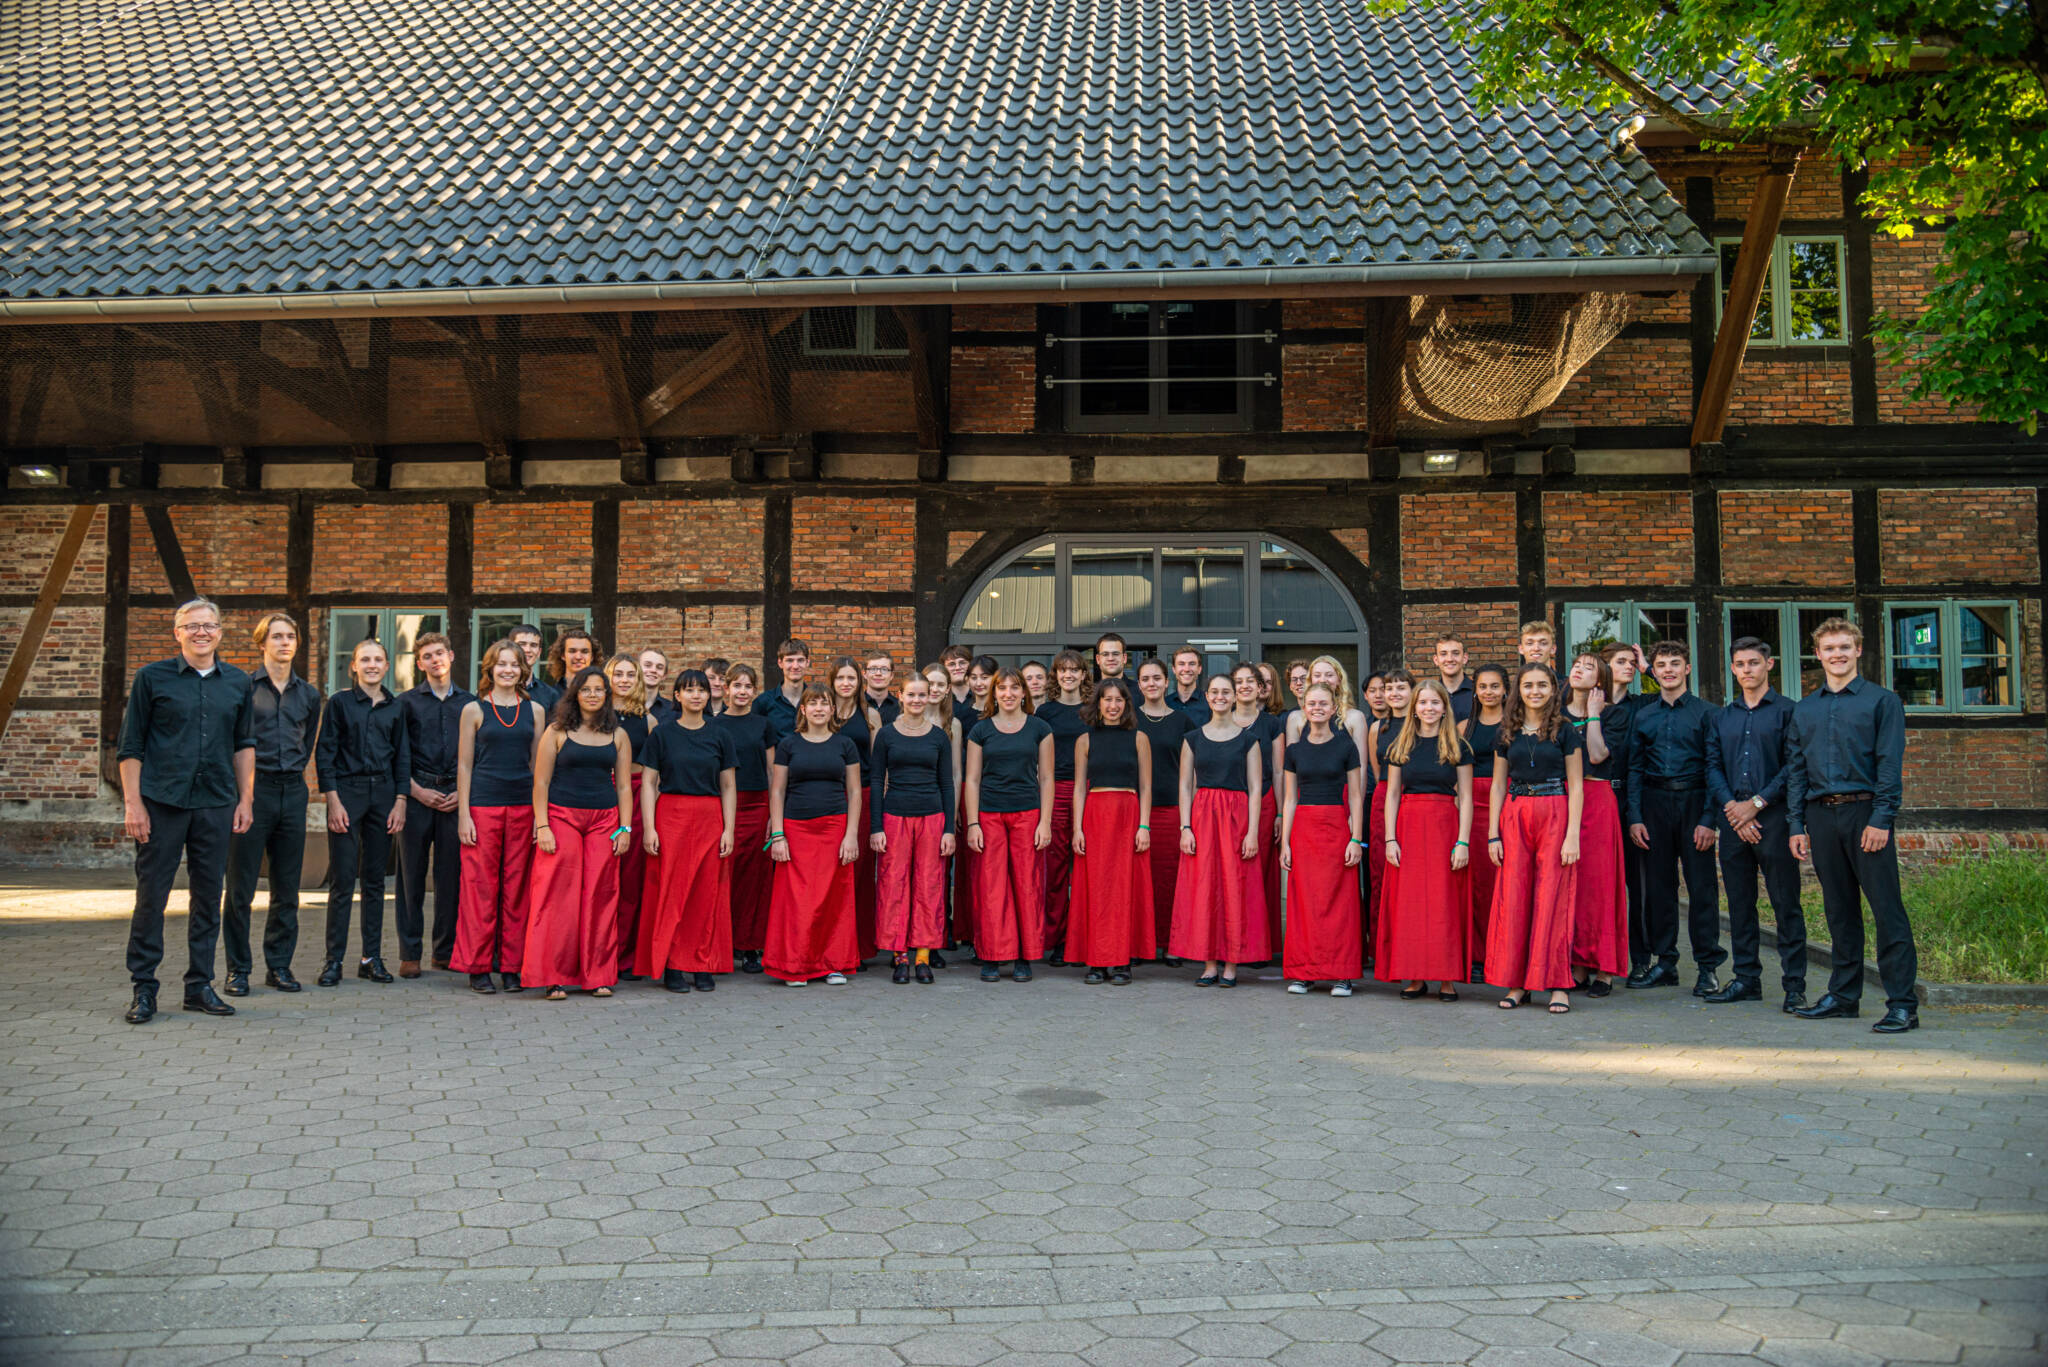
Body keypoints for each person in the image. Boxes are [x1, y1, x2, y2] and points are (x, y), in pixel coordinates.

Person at [117, 597, 255, 1024]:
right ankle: (143, 988)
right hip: (162, 803)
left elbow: (244, 744)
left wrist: (246, 799)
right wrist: (133, 804)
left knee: (207, 897)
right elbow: (130, 746)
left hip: (215, 803)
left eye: (209, 625)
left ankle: (199, 986)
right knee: (151, 897)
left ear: (219, 632)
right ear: (177, 633)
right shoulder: (150, 678)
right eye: (192, 626)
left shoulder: (237, 682)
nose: (201, 632)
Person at [1785, 618, 1917, 1033]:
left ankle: (1902, 1004)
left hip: (1866, 815)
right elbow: (1796, 771)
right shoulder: (1805, 708)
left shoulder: (1882, 702)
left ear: (1858, 651)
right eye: (1829, 648)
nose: (1837, 654)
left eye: (1845, 646)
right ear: (1818, 654)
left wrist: (1882, 818)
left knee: (1886, 911)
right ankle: (1844, 996)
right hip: (1821, 816)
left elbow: (1889, 765)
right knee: (1839, 911)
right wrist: (1795, 824)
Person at [1706, 637, 1807, 1011]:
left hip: (1775, 821)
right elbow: (1712, 767)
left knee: (1786, 904)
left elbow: (1793, 767)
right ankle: (1746, 978)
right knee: (1739, 905)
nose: (1747, 670)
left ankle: (1794, 984)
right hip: (1734, 822)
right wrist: (1735, 809)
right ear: (1733, 670)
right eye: (1740, 664)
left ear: (1769, 665)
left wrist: (1757, 804)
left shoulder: (1788, 712)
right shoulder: (1723, 716)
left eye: (1753, 662)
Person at [524, 666, 634, 1001]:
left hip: (605, 820)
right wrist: (542, 825)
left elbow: (626, 786)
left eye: (599, 690)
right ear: (575, 694)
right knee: (559, 898)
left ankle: (598, 975)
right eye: (586, 690)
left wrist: (625, 827)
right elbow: (540, 782)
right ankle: (553, 976)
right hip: (561, 817)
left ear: (607, 695)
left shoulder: (618, 734)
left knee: (600, 897)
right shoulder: (556, 731)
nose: (592, 695)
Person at [223, 610, 319, 996]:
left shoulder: (309, 694)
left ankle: (279, 966)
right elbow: (230, 743)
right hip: (252, 791)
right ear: (262, 643)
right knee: (241, 887)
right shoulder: (242, 688)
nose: (284, 643)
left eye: (290, 636)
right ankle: (238, 970)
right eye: (276, 636)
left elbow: (307, 742)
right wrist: (239, 796)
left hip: (292, 791)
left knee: (287, 887)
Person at [1624, 640, 1727, 995]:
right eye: (1661, 664)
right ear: (1653, 671)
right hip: (1654, 803)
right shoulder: (1644, 715)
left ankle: (1707, 967)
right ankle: (1666, 961)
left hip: (1695, 801)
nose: (1668, 669)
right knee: (1658, 889)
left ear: (1687, 669)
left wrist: (1709, 819)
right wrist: (1635, 816)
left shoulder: (1708, 713)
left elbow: (1716, 768)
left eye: (1674, 663)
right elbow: (1634, 769)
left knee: (1702, 890)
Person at [1485, 663, 1585, 1013]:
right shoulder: (1506, 731)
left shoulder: (1567, 731)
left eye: (1543, 685)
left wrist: (1572, 835)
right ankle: (1517, 983)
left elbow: (1576, 786)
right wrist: (1492, 833)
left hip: (1555, 811)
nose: (1535, 691)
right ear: (1519, 690)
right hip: (1515, 814)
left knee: (1553, 898)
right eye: (1528, 685)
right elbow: (1498, 784)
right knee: (1514, 898)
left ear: (1553, 690)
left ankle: (1558, 983)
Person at [314, 639, 410, 987]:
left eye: (378, 660)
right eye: (364, 659)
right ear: (353, 666)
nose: (372, 665)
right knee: (342, 880)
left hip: (383, 795)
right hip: (348, 793)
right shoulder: (339, 704)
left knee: (374, 882)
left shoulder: (396, 708)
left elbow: (402, 757)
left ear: (386, 666)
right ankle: (333, 960)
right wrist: (333, 801)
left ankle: (371, 958)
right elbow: (325, 754)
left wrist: (400, 800)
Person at [454, 639, 546, 994]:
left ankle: (512, 965)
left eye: (515, 664)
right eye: (501, 664)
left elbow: (539, 770)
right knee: (480, 889)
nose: (508, 670)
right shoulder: (473, 710)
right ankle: (478, 967)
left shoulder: (535, 711)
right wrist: (464, 815)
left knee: (517, 889)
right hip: (483, 805)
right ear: (490, 669)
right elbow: (464, 765)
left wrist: (541, 819)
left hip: (523, 806)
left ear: (524, 669)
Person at [637, 669, 738, 993]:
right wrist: (650, 828)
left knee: (707, 894)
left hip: (710, 817)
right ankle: (672, 965)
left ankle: (702, 962)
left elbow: (728, 786)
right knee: (671, 893)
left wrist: (728, 829)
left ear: (709, 696)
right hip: (671, 818)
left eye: (702, 690)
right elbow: (649, 783)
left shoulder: (720, 734)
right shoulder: (662, 734)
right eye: (688, 690)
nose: (696, 695)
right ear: (677, 696)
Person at [1377, 680, 1474, 1001]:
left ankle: (1447, 978)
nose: (1429, 708)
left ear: (1445, 708)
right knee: (1411, 904)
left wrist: (1463, 842)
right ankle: (1415, 975)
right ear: (1414, 708)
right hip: (1408, 828)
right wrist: (1390, 839)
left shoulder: (1458, 747)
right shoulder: (1400, 747)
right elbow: (1392, 795)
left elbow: (1468, 798)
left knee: (1445, 902)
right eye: (1423, 703)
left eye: (1435, 703)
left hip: (1445, 827)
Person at [1171, 675, 1266, 986]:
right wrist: (1186, 827)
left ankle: (1232, 963)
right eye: (1215, 692)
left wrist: (1252, 832)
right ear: (1208, 697)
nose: (1221, 696)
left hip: (1236, 818)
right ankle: (1209, 962)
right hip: (1202, 816)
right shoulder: (1193, 738)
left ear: (1235, 696)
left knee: (1234, 887)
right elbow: (1185, 785)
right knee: (1205, 887)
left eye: (1227, 691)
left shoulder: (1249, 740)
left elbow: (1255, 788)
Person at [766, 683, 863, 985]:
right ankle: (796, 966)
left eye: (825, 703)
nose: (819, 708)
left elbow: (855, 792)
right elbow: (778, 790)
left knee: (834, 898)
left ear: (832, 710)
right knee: (797, 901)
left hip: (834, 828)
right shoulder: (788, 745)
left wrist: (851, 835)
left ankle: (833, 963)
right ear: (803, 710)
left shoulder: (845, 744)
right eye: (813, 703)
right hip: (796, 829)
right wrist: (778, 834)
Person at [965, 668, 1054, 982]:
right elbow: (972, 779)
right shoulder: (980, 730)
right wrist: (973, 822)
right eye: (1002, 688)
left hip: (1027, 814)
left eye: (1015, 688)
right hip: (989, 815)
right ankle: (992, 955)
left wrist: (1045, 822)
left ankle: (1023, 956)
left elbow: (1046, 777)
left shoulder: (1040, 728)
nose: (1008, 694)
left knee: (1026, 886)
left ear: (1023, 693)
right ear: (994, 693)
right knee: (992, 888)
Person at [871, 673, 956, 983]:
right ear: (901, 696)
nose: (918, 700)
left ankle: (922, 956)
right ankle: (899, 956)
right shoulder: (886, 735)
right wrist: (876, 826)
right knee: (894, 885)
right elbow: (878, 781)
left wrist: (949, 828)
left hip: (932, 817)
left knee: (929, 886)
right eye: (912, 695)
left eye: (923, 695)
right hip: (895, 817)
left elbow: (947, 783)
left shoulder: (938, 737)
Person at [1280, 683, 1364, 996]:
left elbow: (1355, 796)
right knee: (1304, 901)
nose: (1317, 708)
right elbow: (1289, 798)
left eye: (1323, 703)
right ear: (1304, 707)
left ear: (1333, 709)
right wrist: (1285, 843)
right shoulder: (1294, 750)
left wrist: (1356, 838)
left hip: (1336, 825)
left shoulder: (1346, 745)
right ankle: (1304, 972)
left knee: (1340, 902)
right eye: (1311, 703)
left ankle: (1342, 974)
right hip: (1303, 828)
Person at [1067, 679, 1154, 983]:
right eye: (1107, 700)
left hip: (1128, 814)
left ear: (1127, 705)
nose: (1113, 705)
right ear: (1098, 704)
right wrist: (1077, 828)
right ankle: (1097, 961)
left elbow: (1145, 786)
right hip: (1095, 814)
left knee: (1124, 888)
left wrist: (1144, 825)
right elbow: (1079, 788)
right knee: (1096, 888)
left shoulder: (1139, 738)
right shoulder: (1085, 741)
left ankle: (1122, 961)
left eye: (1119, 700)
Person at [395, 631, 470, 976]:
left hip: (456, 796)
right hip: (418, 795)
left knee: (450, 877)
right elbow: (397, 755)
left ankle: (444, 950)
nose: (435, 660)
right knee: (411, 876)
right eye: (427, 656)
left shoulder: (469, 704)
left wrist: (462, 793)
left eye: (440, 653)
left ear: (451, 656)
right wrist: (416, 791)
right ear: (419, 662)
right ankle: (410, 953)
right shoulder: (406, 703)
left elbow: (477, 754)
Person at [1564, 653, 1627, 996]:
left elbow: (1598, 754)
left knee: (1599, 885)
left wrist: (1592, 716)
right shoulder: (1554, 714)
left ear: (1600, 681)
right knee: (1571, 883)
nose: (1579, 669)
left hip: (1597, 801)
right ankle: (1576, 963)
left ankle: (1603, 968)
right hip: (1562, 799)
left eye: (1589, 667)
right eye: (1576, 665)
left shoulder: (1615, 714)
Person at [717, 664, 778, 974]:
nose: (742, 691)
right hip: (725, 806)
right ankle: (725, 944)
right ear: (726, 689)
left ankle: (751, 945)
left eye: (748, 686)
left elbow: (771, 771)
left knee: (755, 877)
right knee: (725, 875)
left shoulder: (763, 725)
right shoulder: (714, 724)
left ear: (755, 691)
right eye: (736, 685)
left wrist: (772, 813)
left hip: (757, 804)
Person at [828, 656, 886, 963]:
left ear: (859, 682)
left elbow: (878, 768)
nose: (846, 683)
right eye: (841, 678)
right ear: (832, 681)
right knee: (834, 872)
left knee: (861, 873)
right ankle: (833, 943)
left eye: (851, 678)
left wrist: (878, 808)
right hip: (828, 797)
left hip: (861, 797)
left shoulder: (871, 715)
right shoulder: (823, 711)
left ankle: (859, 947)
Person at [1134, 659, 1192, 957]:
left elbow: (1191, 771)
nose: (1152, 683)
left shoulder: (1182, 721)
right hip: (1136, 811)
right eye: (1146, 679)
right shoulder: (1129, 718)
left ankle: (1171, 944)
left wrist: (1188, 818)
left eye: (1157, 678)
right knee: (1139, 880)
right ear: (1139, 684)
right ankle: (1141, 943)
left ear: (1167, 682)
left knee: (1170, 879)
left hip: (1171, 808)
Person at [1038, 650, 1093, 963]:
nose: (1069, 675)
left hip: (1089, 789)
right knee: (1056, 869)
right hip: (1056, 790)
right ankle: (1057, 939)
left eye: (1075, 670)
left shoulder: (1093, 710)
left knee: (1085, 866)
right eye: (1063, 671)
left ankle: (1083, 937)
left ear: (1084, 674)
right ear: (1055, 676)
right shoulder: (1045, 713)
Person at [1230, 662, 1286, 956]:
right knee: (1232, 873)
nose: (1245, 686)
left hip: (1263, 802)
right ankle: (1232, 940)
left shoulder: (1272, 725)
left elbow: (1278, 771)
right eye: (1238, 682)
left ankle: (1258, 946)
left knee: (1259, 874)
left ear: (1261, 688)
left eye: (1250, 681)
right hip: (1229, 804)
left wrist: (1279, 813)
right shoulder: (1222, 720)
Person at [1459, 664, 1509, 980]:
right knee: (1475, 885)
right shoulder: (1465, 726)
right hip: (1471, 806)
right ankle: (1478, 957)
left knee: (1502, 882)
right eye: (1482, 686)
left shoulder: (1515, 725)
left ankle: (1503, 952)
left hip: (1505, 804)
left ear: (1505, 689)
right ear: (1475, 690)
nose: (1488, 691)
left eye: (1494, 686)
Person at [1600, 642, 1648, 972]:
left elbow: (1674, 690)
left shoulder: (1643, 705)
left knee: (1638, 884)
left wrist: (1648, 667)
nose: (1629, 667)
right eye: (1622, 662)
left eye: (1633, 663)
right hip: (1597, 799)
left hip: (1632, 799)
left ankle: (1641, 960)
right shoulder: (1588, 704)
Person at [607, 654, 654, 978]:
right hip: (601, 794)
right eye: (618, 674)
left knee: (631, 878)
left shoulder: (647, 720)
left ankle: (626, 955)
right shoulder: (594, 715)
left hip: (637, 796)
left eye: (630, 674)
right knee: (602, 877)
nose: (624, 680)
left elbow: (655, 775)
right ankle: (601, 951)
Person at [922, 661, 968, 959]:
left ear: (948, 689)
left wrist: (953, 811)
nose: (935, 689)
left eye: (941, 684)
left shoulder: (953, 724)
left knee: (939, 875)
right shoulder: (903, 719)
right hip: (912, 804)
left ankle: (937, 935)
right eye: (931, 684)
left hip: (942, 803)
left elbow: (955, 772)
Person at [1365, 669, 1414, 935]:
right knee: (1381, 869)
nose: (1394, 693)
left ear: (1412, 691)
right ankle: (1384, 939)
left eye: (1401, 688)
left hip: (1414, 797)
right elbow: (1377, 769)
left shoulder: (1421, 723)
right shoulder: (1377, 727)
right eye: (1389, 688)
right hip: (1384, 798)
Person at [759, 638, 812, 740]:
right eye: (789, 660)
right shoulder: (763, 703)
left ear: (807, 662)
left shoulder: (817, 702)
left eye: (800, 660)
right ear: (780, 663)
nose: (795, 666)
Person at [512, 625, 559, 712]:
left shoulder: (550, 695)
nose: (527, 650)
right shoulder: (495, 691)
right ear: (510, 648)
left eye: (533, 645)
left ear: (539, 652)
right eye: (522, 644)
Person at [545, 628, 601, 698]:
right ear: (563, 655)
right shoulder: (550, 695)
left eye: (584, 651)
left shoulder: (602, 695)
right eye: (572, 651)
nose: (578, 657)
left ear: (592, 656)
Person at [1433, 634, 1474, 722]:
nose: (1450, 659)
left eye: (1455, 653)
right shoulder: (1430, 694)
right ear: (1436, 660)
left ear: (1465, 658)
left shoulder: (1478, 693)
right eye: (1443, 654)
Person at [1167, 645, 1209, 718]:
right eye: (1181, 664)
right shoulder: (1165, 704)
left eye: (1192, 664)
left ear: (1199, 669)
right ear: (1174, 669)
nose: (1186, 669)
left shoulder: (1210, 703)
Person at [863, 651, 903, 724]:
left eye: (884, 669)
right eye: (873, 669)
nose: (878, 673)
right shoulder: (855, 705)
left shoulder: (901, 708)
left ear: (891, 675)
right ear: (865, 674)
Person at [640, 648, 679, 725]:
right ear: (637, 669)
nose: (653, 670)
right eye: (648, 665)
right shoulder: (623, 707)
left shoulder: (673, 711)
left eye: (659, 667)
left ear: (664, 675)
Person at [941, 645, 975, 714]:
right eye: (951, 664)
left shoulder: (981, 694)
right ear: (944, 669)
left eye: (962, 663)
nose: (957, 668)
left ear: (971, 665)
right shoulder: (939, 698)